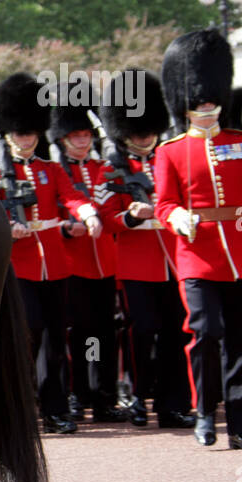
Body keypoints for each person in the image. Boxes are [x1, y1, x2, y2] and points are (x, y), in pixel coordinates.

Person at [155, 29, 242, 449]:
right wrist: (179, 217)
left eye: (211, 99)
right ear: (188, 104)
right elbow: (164, 203)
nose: (207, 106)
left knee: (241, 341)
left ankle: (239, 426)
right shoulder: (171, 151)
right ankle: (204, 410)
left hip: (241, 254)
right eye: (199, 101)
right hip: (197, 256)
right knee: (206, 331)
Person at [0, 73, 104, 433]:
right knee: (26, 334)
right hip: (19, 268)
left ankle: (54, 408)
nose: (26, 139)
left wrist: (88, 213)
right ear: (8, 134)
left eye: (30, 133)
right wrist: (7, 228)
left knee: (55, 340)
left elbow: (71, 197)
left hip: (54, 265)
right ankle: (19, 406)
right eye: (20, 134)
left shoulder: (51, 170)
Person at [97, 70, 194, 430]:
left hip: (175, 259)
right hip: (137, 263)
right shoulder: (112, 169)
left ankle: (174, 404)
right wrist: (131, 218)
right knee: (142, 331)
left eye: (148, 129)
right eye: (136, 132)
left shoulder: (171, 157)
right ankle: (138, 396)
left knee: (176, 331)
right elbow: (107, 218)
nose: (144, 137)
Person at [48, 77, 128, 423]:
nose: (82, 141)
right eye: (76, 136)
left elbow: (112, 215)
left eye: (86, 135)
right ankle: (78, 393)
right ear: (63, 139)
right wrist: (69, 229)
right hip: (72, 263)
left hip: (105, 263)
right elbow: (51, 214)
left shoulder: (103, 169)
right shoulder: (56, 173)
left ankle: (104, 397)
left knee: (104, 332)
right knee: (78, 334)